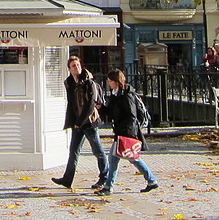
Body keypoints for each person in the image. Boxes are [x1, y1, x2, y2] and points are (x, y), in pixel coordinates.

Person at [94, 68, 160, 197]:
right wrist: (101, 108)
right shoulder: (115, 94)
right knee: (128, 158)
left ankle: (109, 187)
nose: (109, 83)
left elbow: (131, 116)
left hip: (126, 133)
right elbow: (111, 113)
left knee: (123, 158)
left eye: (110, 81)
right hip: (120, 132)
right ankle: (151, 180)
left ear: (116, 81)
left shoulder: (126, 95)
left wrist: (124, 132)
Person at [50, 55, 108, 191]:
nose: (76, 68)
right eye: (73, 66)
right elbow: (71, 105)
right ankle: (67, 179)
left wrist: (80, 122)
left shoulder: (89, 82)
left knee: (98, 151)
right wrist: (72, 122)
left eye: (78, 65)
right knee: (73, 151)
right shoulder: (69, 83)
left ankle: (104, 178)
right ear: (69, 69)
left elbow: (90, 104)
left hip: (89, 121)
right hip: (77, 123)